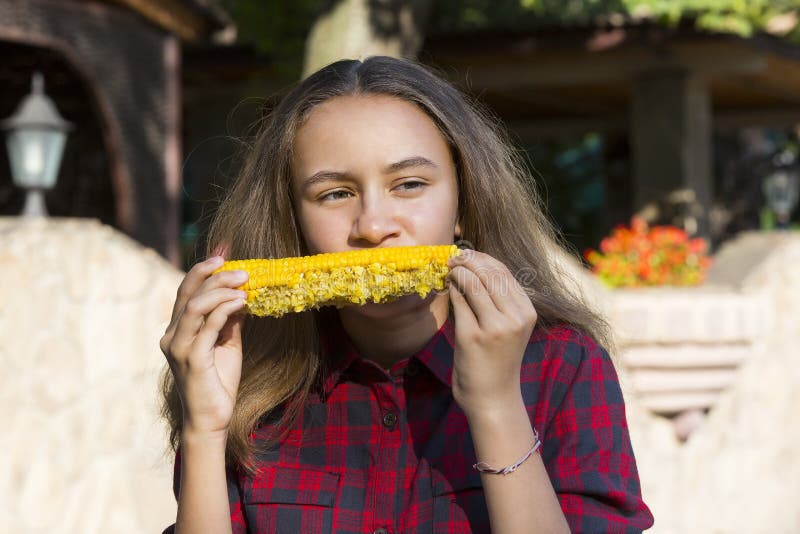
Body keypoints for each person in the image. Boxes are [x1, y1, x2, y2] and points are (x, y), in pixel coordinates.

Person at [159, 56, 654, 533]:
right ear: (295, 220)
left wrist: (497, 405)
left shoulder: (561, 367)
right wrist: (203, 429)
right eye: (335, 193)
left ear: (464, 203)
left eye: (410, 184)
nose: (373, 226)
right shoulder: (247, 382)